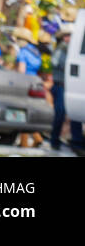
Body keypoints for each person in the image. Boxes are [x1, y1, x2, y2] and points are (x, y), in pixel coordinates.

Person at [48, 25, 84, 153]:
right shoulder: (62, 48)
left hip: (68, 85)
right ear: (64, 37)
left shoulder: (70, 49)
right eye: (68, 35)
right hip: (61, 85)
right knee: (60, 113)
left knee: (74, 113)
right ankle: (54, 140)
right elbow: (56, 62)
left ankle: (77, 140)